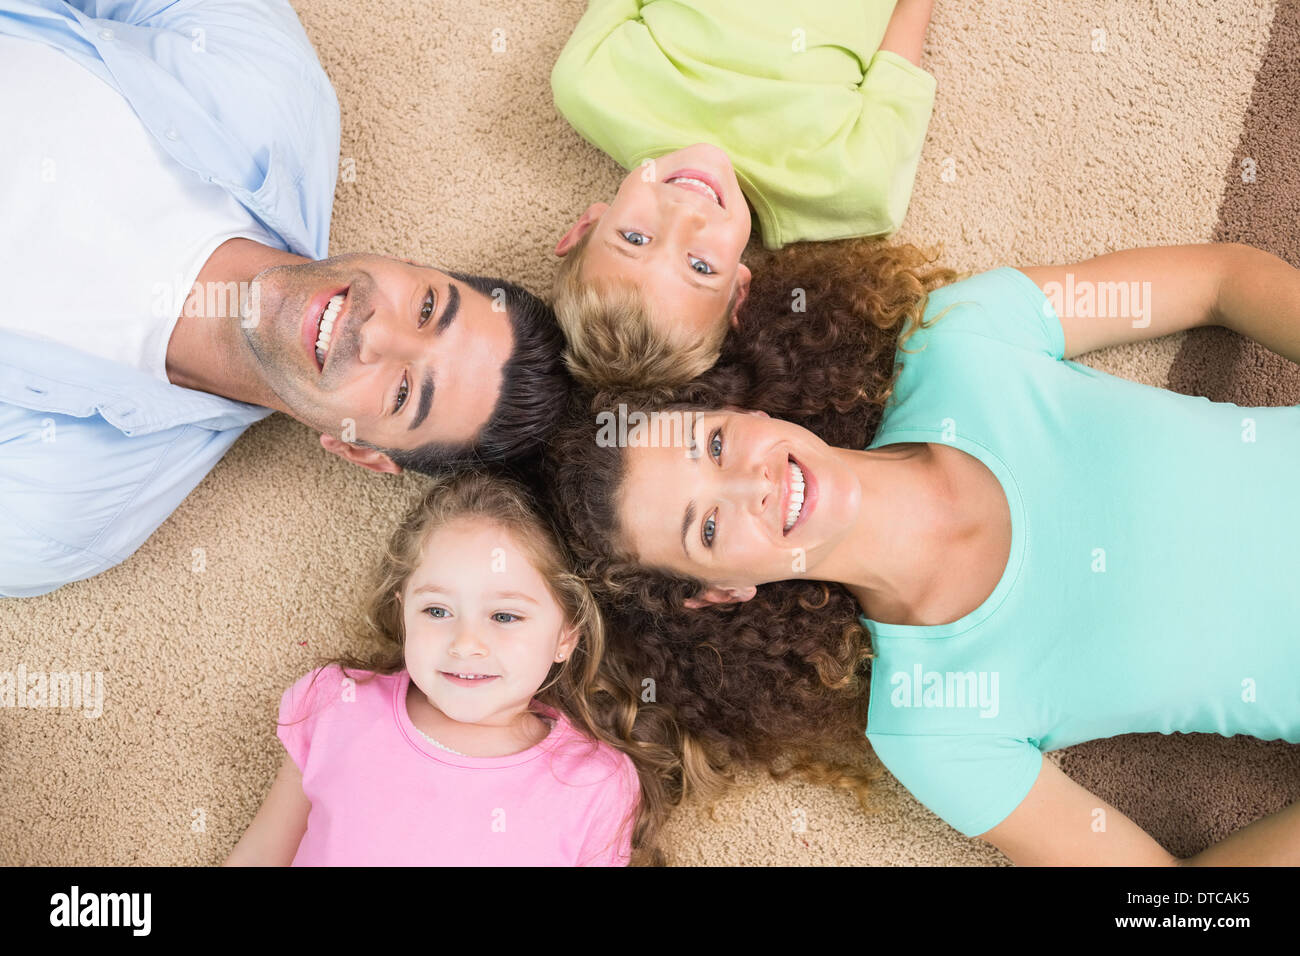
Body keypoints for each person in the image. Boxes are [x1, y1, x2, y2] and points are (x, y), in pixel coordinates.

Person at [545, 239, 1300, 864]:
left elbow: (1218, 280)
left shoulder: (961, 334)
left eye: (713, 443)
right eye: (707, 528)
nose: (753, 483)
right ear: (720, 592)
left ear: (742, 406)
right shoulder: (931, 724)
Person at [0, 0, 568, 598]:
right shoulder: (272, 86)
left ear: (356, 450)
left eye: (405, 393)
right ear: (410, 263)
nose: (376, 333)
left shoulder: (53, 509)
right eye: (427, 309)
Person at [224, 469, 664, 866]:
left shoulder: (595, 783)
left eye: (505, 616)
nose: (466, 644)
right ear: (403, 614)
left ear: (566, 636)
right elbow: (262, 854)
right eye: (436, 611)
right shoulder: (337, 704)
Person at [549, 0, 936, 387]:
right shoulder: (854, 187)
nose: (686, 213)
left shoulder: (588, 85)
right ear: (738, 291)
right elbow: (905, 36)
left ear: (587, 226)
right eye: (700, 266)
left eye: (635, 238)